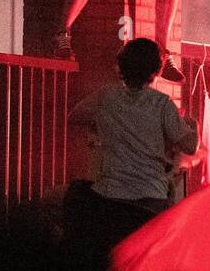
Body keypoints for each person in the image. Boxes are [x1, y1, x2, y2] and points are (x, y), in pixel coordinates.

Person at [70, 38, 198, 227]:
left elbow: (74, 117)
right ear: (157, 70)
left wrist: (103, 125)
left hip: (109, 196)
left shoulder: (105, 96)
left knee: (68, 197)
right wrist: (194, 125)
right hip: (151, 198)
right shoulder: (162, 104)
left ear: (121, 66)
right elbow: (190, 146)